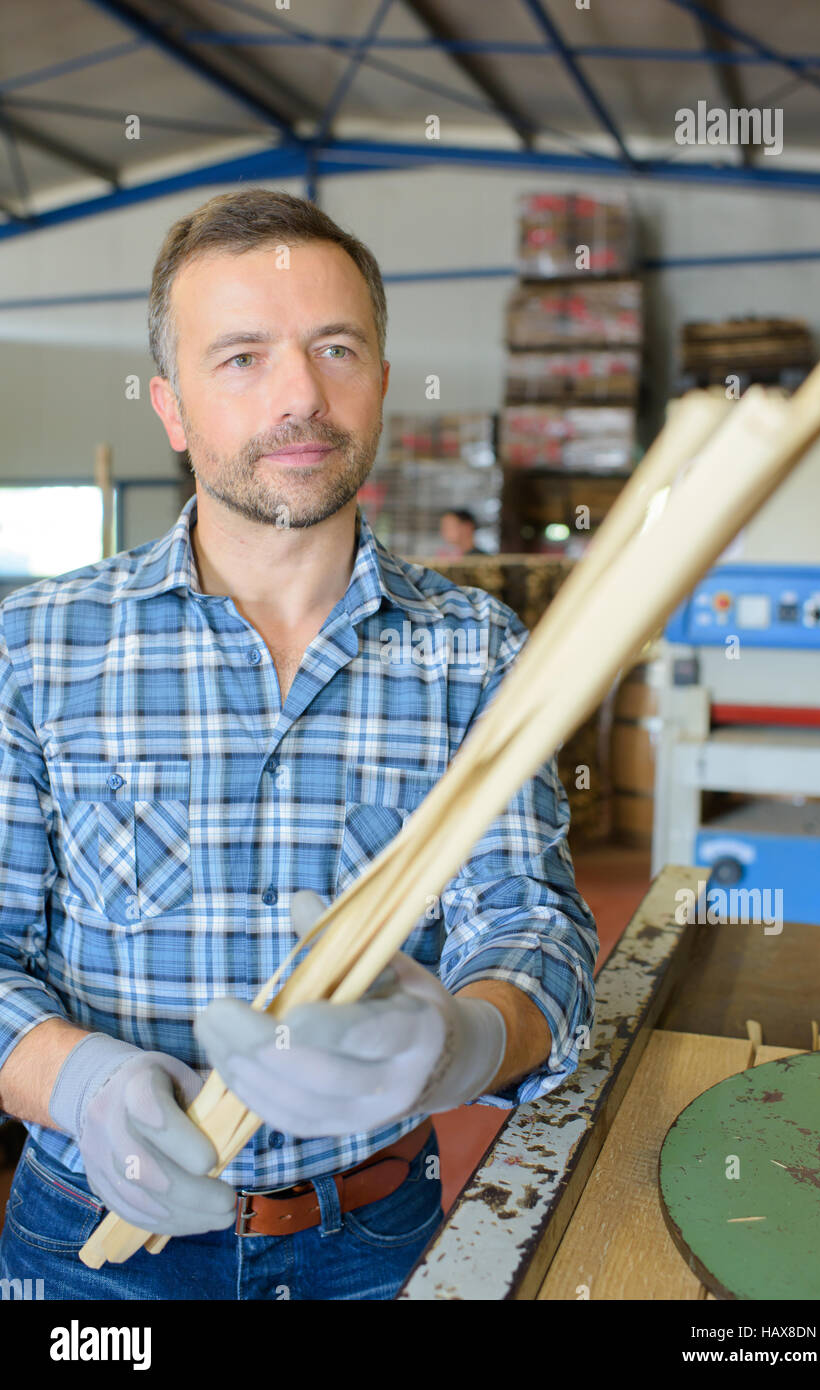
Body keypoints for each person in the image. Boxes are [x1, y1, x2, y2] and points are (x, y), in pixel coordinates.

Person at [0, 189, 597, 1301]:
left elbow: (532, 921)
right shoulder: (38, 646)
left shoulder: (474, 652)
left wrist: (466, 1042)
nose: (300, 395)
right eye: (241, 357)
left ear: (379, 376)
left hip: (370, 1240)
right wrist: (84, 1085)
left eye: (336, 347)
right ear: (170, 408)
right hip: (91, 1246)